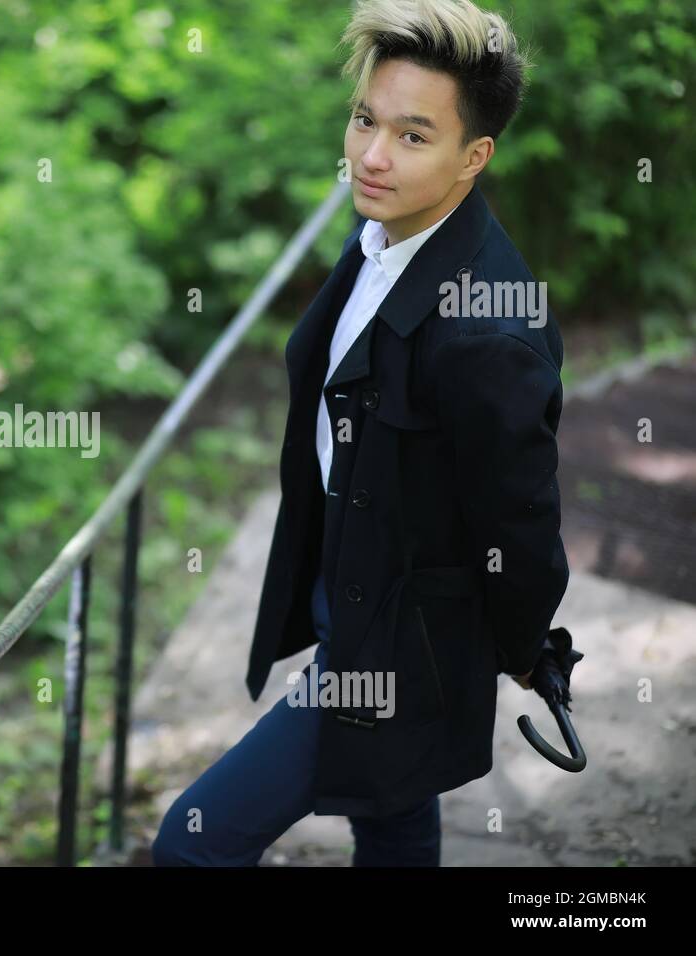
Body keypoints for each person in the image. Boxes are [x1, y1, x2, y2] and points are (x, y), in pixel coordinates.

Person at [152, 0, 567, 867]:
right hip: (354, 589)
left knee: (191, 845)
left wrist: (526, 647)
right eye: (364, 120)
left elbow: (519, 522)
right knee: (392, 814)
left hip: (394, 654)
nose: (372, 156)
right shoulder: (382, 234)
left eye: (414, 137)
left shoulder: (487, 330)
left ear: (473, 157)